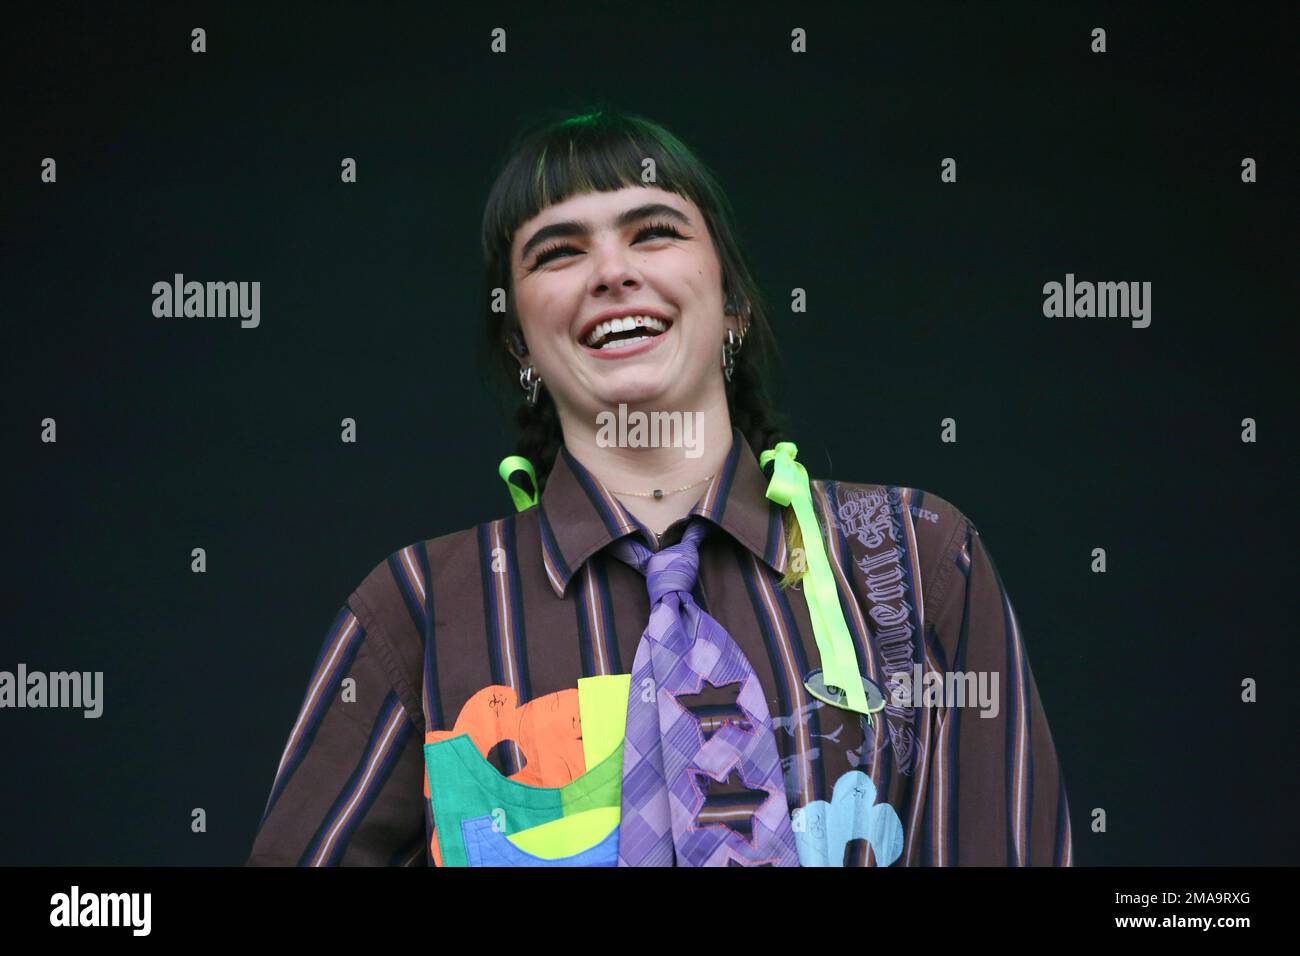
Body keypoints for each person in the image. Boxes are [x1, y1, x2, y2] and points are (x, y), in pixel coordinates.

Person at [245, 109, 1072, 867]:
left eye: (654, 232)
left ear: (735, 304)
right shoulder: (418, 609)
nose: (611, 271)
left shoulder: (915, 555)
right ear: (520, 344)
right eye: (559, 251)